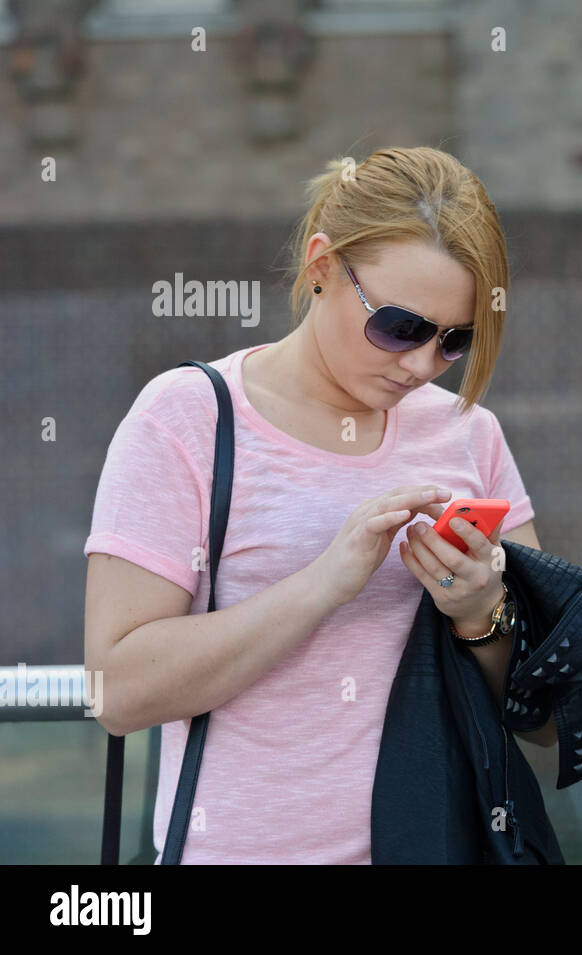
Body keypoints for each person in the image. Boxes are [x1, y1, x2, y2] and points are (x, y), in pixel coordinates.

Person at [83, 146, 555, 864]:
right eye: (399, 326)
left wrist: (481, 614)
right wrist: (323, 584)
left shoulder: (469, 434)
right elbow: (116, 691)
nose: (422, 363)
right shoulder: (190, 418)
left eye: (454, 339)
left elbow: (544, 714)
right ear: (321, 265)